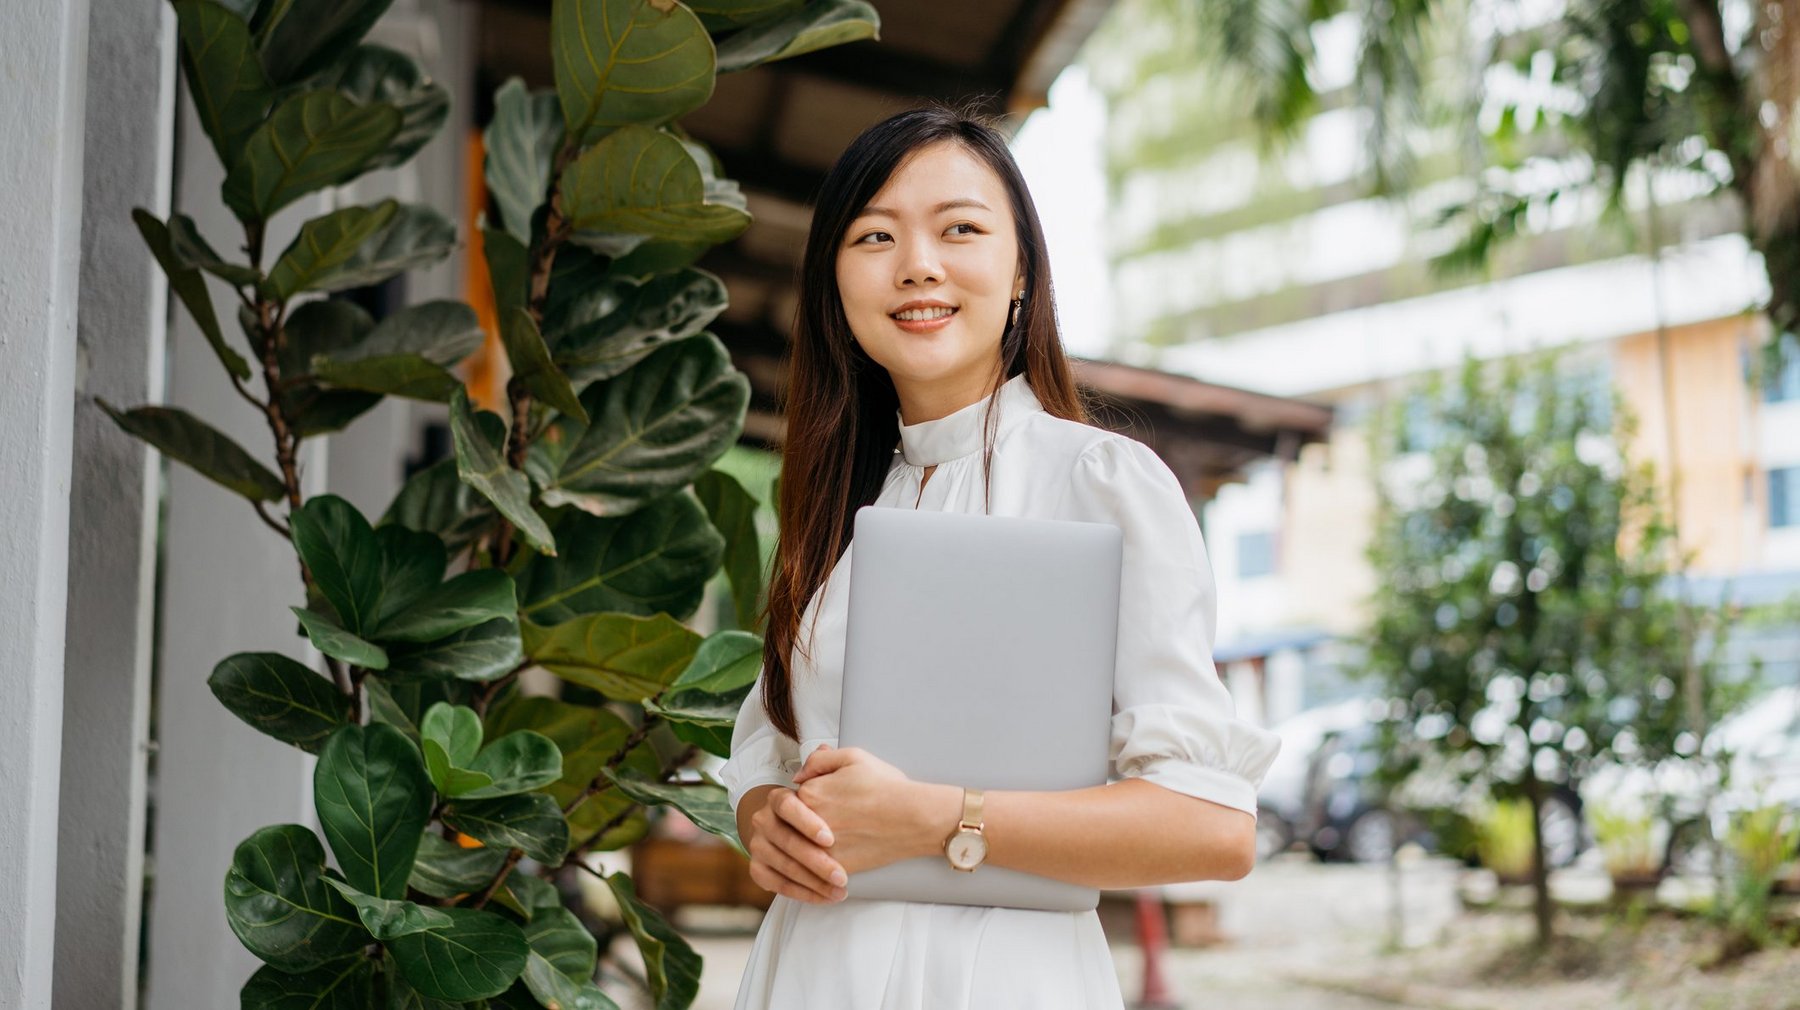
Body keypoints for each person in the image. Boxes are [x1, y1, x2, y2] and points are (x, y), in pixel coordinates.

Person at [717, 103, 1283, 1009]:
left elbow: (1212, 826)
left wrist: (941, 818)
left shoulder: (1101, 483)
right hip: (812, 971)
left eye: (961, 230)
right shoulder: (839, 508)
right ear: (833, 282)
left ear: (1021, 271)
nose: (918, 266)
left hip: (1000, 980)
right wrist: (765, 818)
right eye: (874, 236)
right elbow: (768, 750)